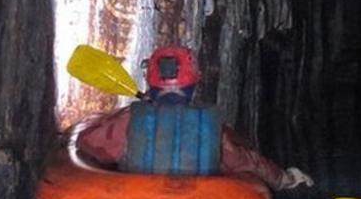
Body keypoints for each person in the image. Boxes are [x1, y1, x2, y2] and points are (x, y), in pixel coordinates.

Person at [75, 44, 314, 191]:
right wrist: (284, 178)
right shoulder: (210, 127)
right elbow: (247, 163)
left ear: (150, 78)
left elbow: (87, 143)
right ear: (194, 80)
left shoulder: (130, 119)